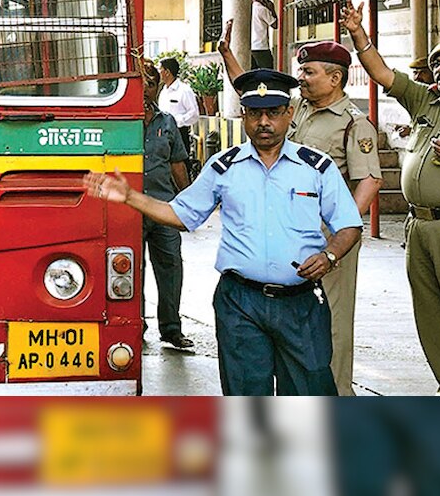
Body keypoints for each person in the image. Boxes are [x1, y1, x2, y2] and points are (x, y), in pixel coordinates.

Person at [85, 68, 362, 395]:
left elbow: (348, 224)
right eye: (254, 113)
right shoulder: (223, 166)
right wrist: (131, 197)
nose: (264, 122)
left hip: (300, 303)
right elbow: (181, 213)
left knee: (308, 395)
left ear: (289, 114)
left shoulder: (317, 166)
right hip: (240, 302)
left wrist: (330, 255)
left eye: (273, 113)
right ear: (243, 115)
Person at [341, 0, 440, 395]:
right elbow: (382, 74)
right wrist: (358, 34)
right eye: (438, 65)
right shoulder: (427, 101)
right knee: (433, 321)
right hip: (419, 227)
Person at [218, 21, 382, 396]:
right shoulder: (299, 111)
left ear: (336, 78)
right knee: (294, 325)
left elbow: (369, 182)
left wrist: (339, 234)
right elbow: (255, 95)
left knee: (332, 326)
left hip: (329, 241)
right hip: (291, 235)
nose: (301, 78)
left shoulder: (354, 125)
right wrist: (228, 57)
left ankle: (339, 400)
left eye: (309, 71)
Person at [140, 63, 194, 351]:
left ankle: (171, 329)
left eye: (151, 82)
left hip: (163, 207)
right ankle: (135, 325)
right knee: (132, 270)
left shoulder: (168, 122)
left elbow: (177, 165)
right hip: (130, 209)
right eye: (141, 82)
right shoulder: (121, 122)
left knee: (171, 267)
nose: (146, 88)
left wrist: (187, 204)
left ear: (158, 86)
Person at [157, 57, 199, 172]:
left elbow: (194, 114)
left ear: (167, 72)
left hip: (179, 133)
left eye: (160, 69)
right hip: (164, 134)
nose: (158, 72)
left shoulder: (184, 90)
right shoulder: (163, 91)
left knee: (181, 165)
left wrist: (176, 121)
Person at [251, 0, 278, 69]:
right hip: (261, 47)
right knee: (268, 73)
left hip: (252, 47)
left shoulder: (250, 9)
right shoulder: (262, 9)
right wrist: (272, 9)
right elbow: (275, 25)